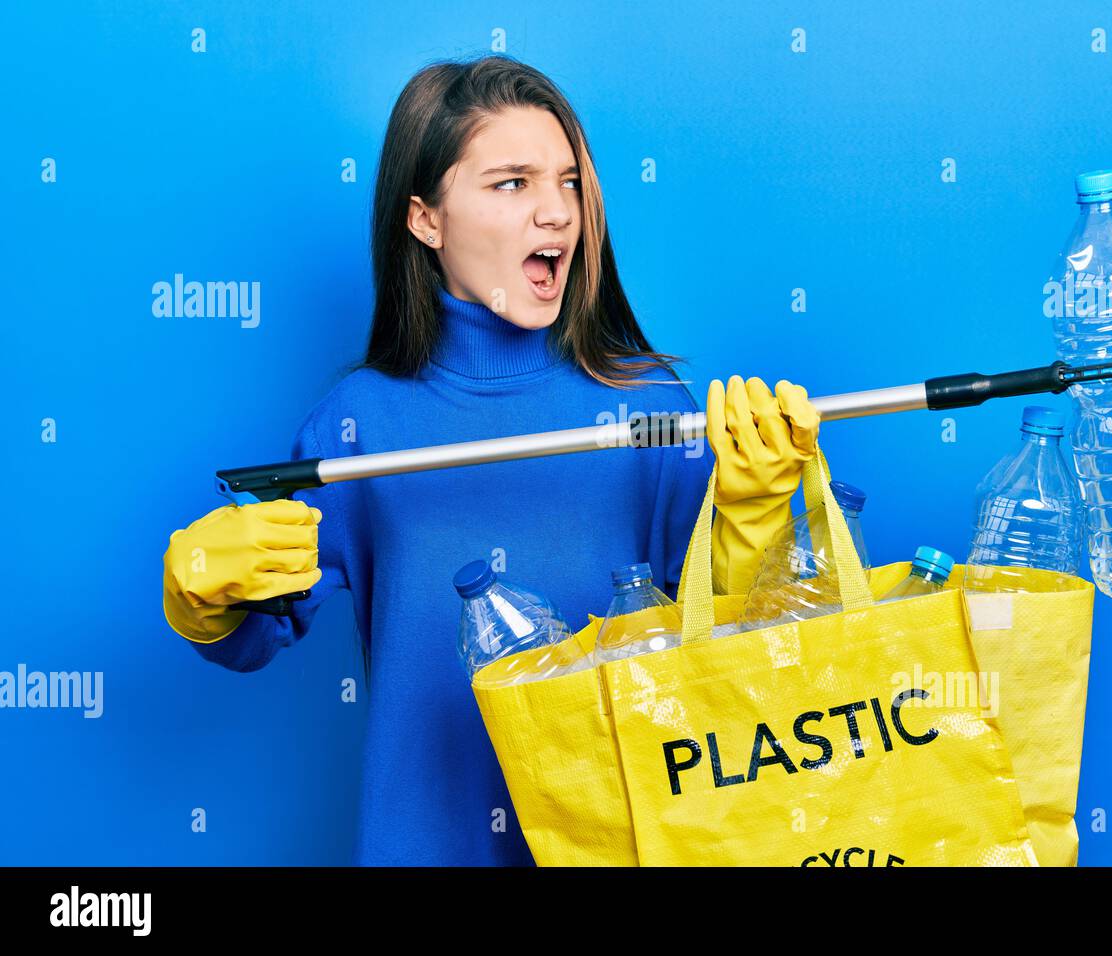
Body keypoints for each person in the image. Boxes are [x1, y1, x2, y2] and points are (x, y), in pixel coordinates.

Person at [161, 55, 819, 865]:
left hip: (625, 842)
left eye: (568, 182)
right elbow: (256, 637)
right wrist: (205, 600)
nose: (556, 213)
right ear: (425, 219)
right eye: (511, 183)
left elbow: (743, 657)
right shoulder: (360, 424)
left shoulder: (649, 406)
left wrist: (751, 519)